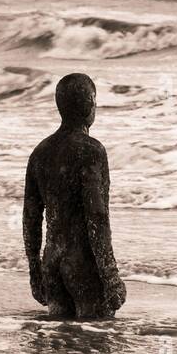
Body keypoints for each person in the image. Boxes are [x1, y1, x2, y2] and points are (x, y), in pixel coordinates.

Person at [22, 73, 126, 319]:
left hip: (52, 265)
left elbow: (30, 218)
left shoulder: (40, 152)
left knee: (61, 344)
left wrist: (35, 272)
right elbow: (97, 217)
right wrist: (110, 275)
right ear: (90, 103)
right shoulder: (92, 151)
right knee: (98, 343)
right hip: (83, 266)